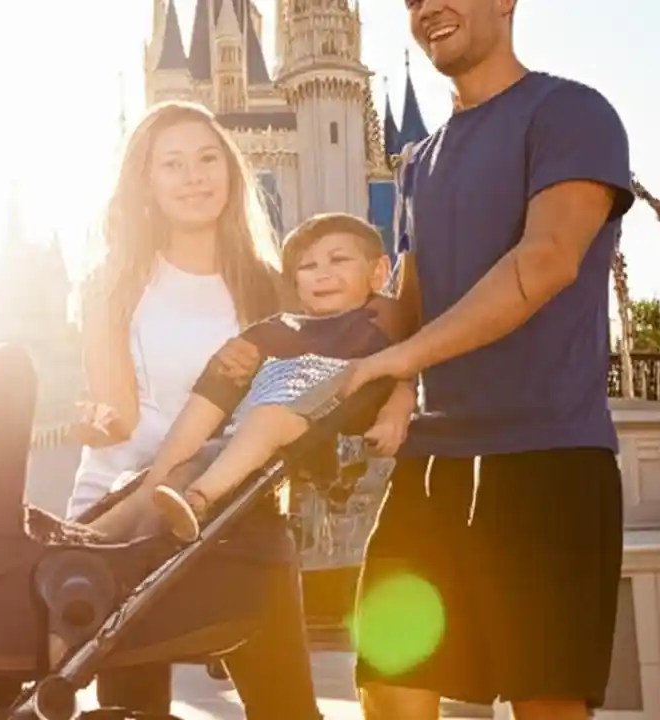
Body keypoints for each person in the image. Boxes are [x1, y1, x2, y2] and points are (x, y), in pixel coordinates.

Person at [297, 2, 631, 718]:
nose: (427, 9)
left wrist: (401, 361)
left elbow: (544, 263)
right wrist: (284, 349)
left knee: (545, 702)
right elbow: (406, 304)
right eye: (412, 0)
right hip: (433, 469)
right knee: (388, 683)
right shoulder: (416, 162)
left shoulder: (572, 114)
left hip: (549, 461)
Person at [68, 99, 320, 719]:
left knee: (286, 707)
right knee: (133, 708)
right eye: (172, 164)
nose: (194, 176)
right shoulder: (113, 282)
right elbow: (119, 412)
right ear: (147, 183)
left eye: (208, 159)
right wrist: (97, 421)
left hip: (237, 510)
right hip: (126, 515)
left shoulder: (268, 285)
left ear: (232, 173)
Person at [89, 213, 415, 543]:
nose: (323, 274)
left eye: (339, 260)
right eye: (308, 267)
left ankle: (199, 499)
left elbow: (411, 361)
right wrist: (232, 360)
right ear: (296, 286)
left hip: (311, 425)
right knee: (184, 464)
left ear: (378, 272)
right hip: (246, 436)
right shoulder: (280, 329)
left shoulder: (383, 314)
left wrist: (397, 409)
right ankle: (98, 533)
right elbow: (218, 385)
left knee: (269, 418)